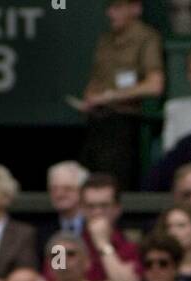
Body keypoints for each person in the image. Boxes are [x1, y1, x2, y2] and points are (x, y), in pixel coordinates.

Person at [76, 0, 165, 191]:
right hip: (96, 121)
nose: (111, 14)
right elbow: (96, 79)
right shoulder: (105, 39)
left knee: (114, 181)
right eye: (109, 8)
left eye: (117, 8)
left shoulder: (147, 37)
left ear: (135, 8)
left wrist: (110, 97)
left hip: (124, 121)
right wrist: (90, 98)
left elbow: (154, 85)